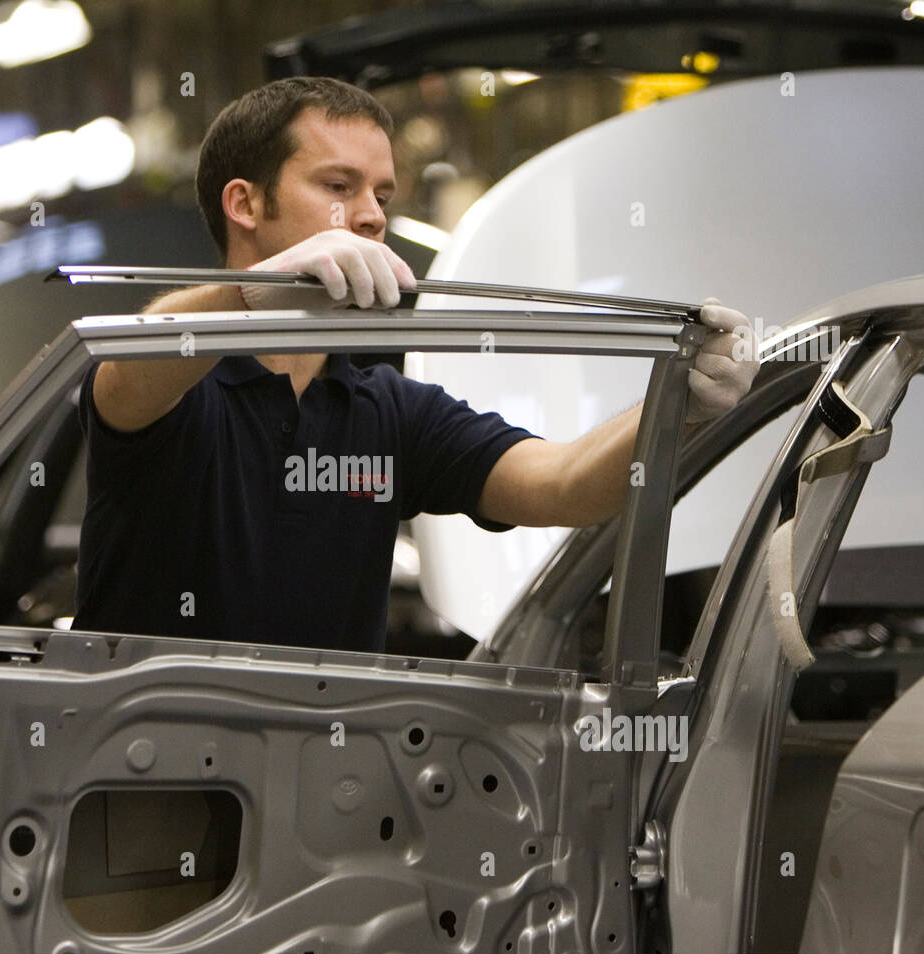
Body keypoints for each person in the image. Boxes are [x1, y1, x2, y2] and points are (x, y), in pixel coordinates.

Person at [73, 76, 756, 652]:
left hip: (325, 781)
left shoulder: (389, 411)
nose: (371, 216)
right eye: (340, 185)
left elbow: (565, 484)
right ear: (245, 203)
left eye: (383, 196)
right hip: (145, 775)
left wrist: (680, 407)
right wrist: (249, 294)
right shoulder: (179, 388)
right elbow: (134, 366)